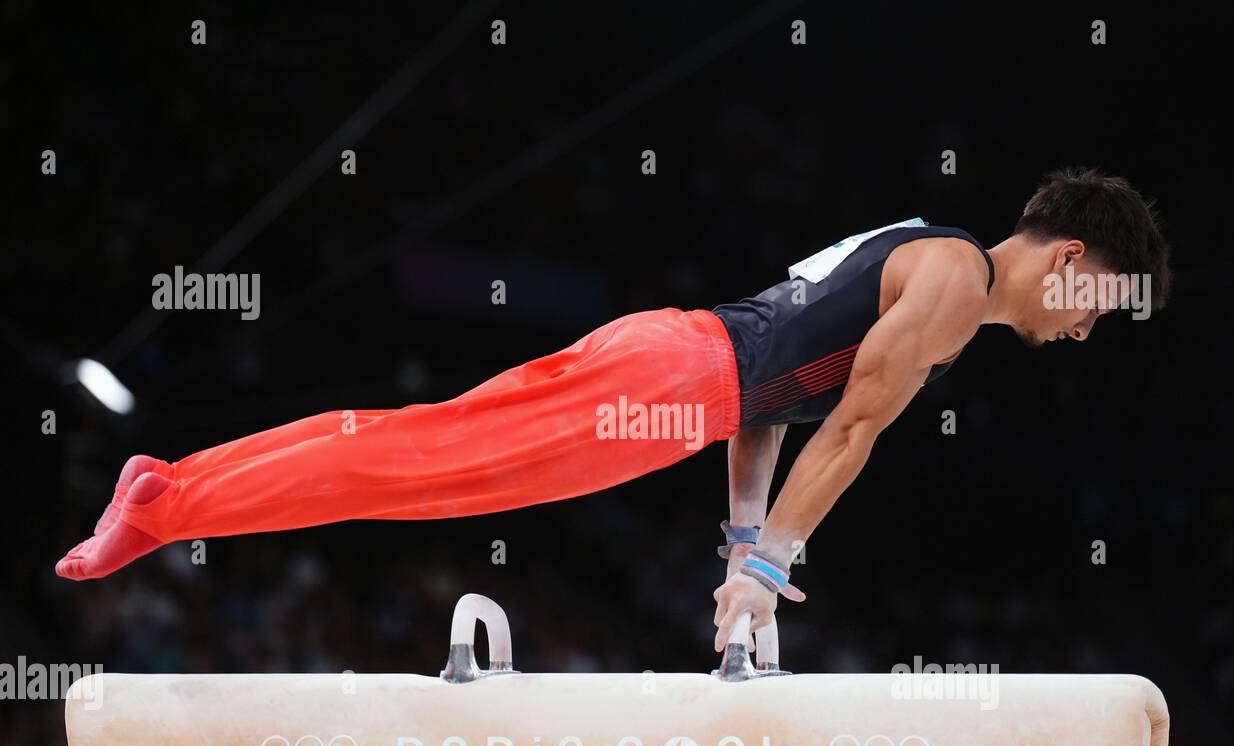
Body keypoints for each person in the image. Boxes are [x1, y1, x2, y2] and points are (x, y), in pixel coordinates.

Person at [56, 167, 1171, 653]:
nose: (1084, 330)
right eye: (1101, 306)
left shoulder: (926, 256)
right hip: (674, 381)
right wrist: (773, 569)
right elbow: (854, 428)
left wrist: (743, 543)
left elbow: (776, 405)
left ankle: (171, 489)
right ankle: (167, 507)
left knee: (420, 448)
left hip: (683, 369)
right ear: (1070, 258)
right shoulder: (958, 283)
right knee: (417, 465)